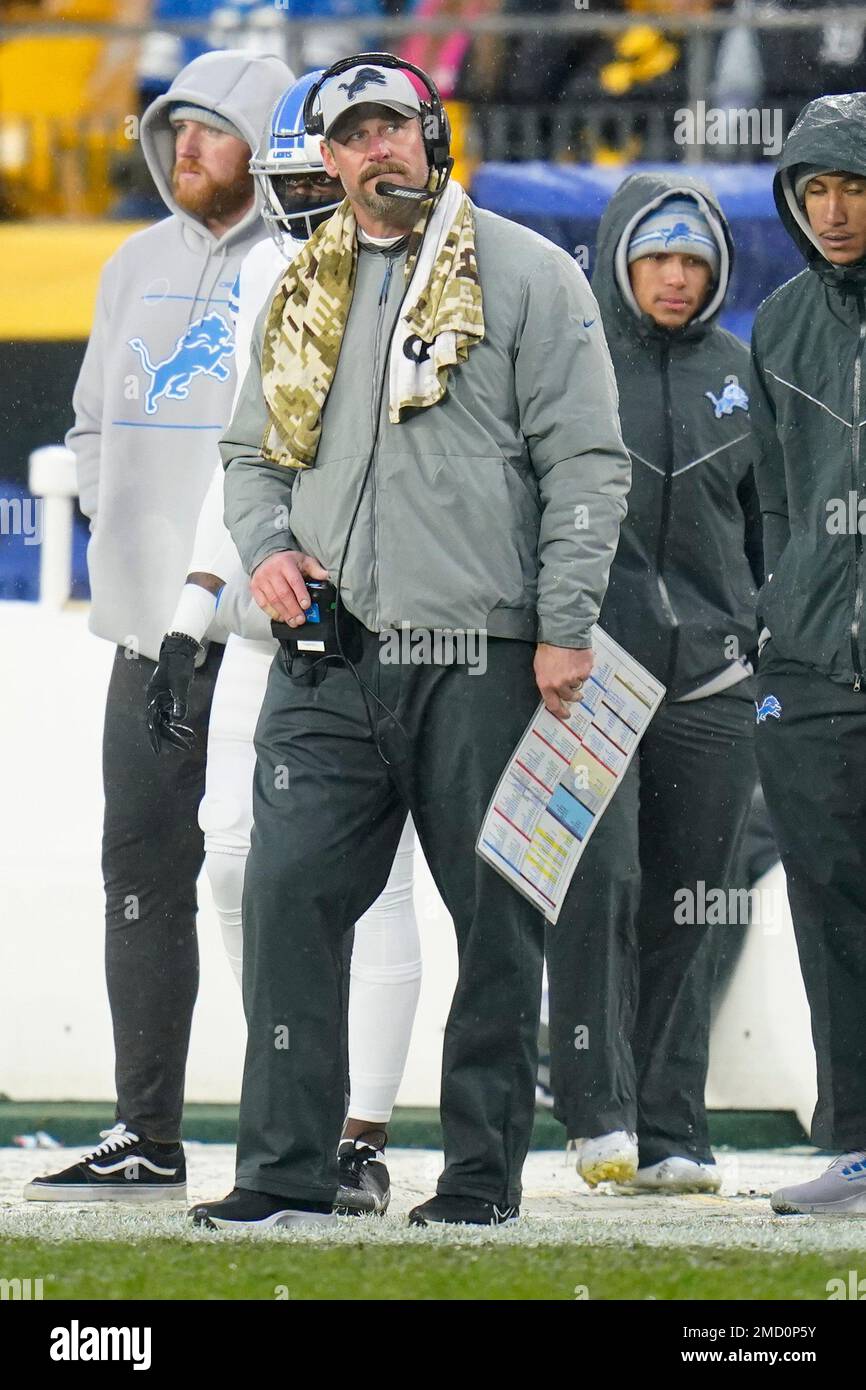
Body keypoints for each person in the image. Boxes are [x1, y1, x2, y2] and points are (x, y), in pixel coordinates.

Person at [193, 53, 630, 1230]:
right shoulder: (297, 290)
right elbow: (247, 459)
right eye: (350, 136)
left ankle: (479, 1183)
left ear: (429, 141)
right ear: (326, 160)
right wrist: (267, 550)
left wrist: (565, 625)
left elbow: (586, 462)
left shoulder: (530, 274)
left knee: (494, 928)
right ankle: (285, 1172)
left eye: (393, 128)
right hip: (326, 659)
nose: (372, 150)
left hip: (483, 656)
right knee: (283, 903)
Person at [24, 49, 293, 1204]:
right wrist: (116, 529)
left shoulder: (299, 269)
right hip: (144, 639)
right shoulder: (130, 262)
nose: (186, 149)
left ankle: (310, 1134)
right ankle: (149, 1132)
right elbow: (91, 423)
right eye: (175, 130)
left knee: (278, 890)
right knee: (140, 873)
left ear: (264, 147)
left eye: (214, 131)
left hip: (266, 642)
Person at [152, 70, 422, 1216]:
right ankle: (291, 1088)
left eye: (327, 177)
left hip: (378, 617)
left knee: (384, 888)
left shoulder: (418, 272)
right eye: (296, 181)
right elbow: (242, 461)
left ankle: (358, 1130)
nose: (313, 199)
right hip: (270, 614)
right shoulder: (277, 276)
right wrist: (190, 610)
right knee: (230, 859)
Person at [547, 174, 762, 1193]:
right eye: (656, 257)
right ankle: (596, 1112)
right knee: (601, 887)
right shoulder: (568, 365)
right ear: (619, 260)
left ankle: (674, 1124)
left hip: (714, 684)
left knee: (695, 900)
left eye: (692, 261)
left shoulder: (742, 370)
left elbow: (776, 526)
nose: (675, 278)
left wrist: (756, 635)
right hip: (592, 670)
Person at [750, 94, 866, 1216]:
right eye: (810, 190)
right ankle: (857, 1143)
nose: (830, 212)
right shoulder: (777, 322)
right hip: (811, 670)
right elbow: (777, 505)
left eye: (851, 187)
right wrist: (781, 619)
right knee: (830, 906)